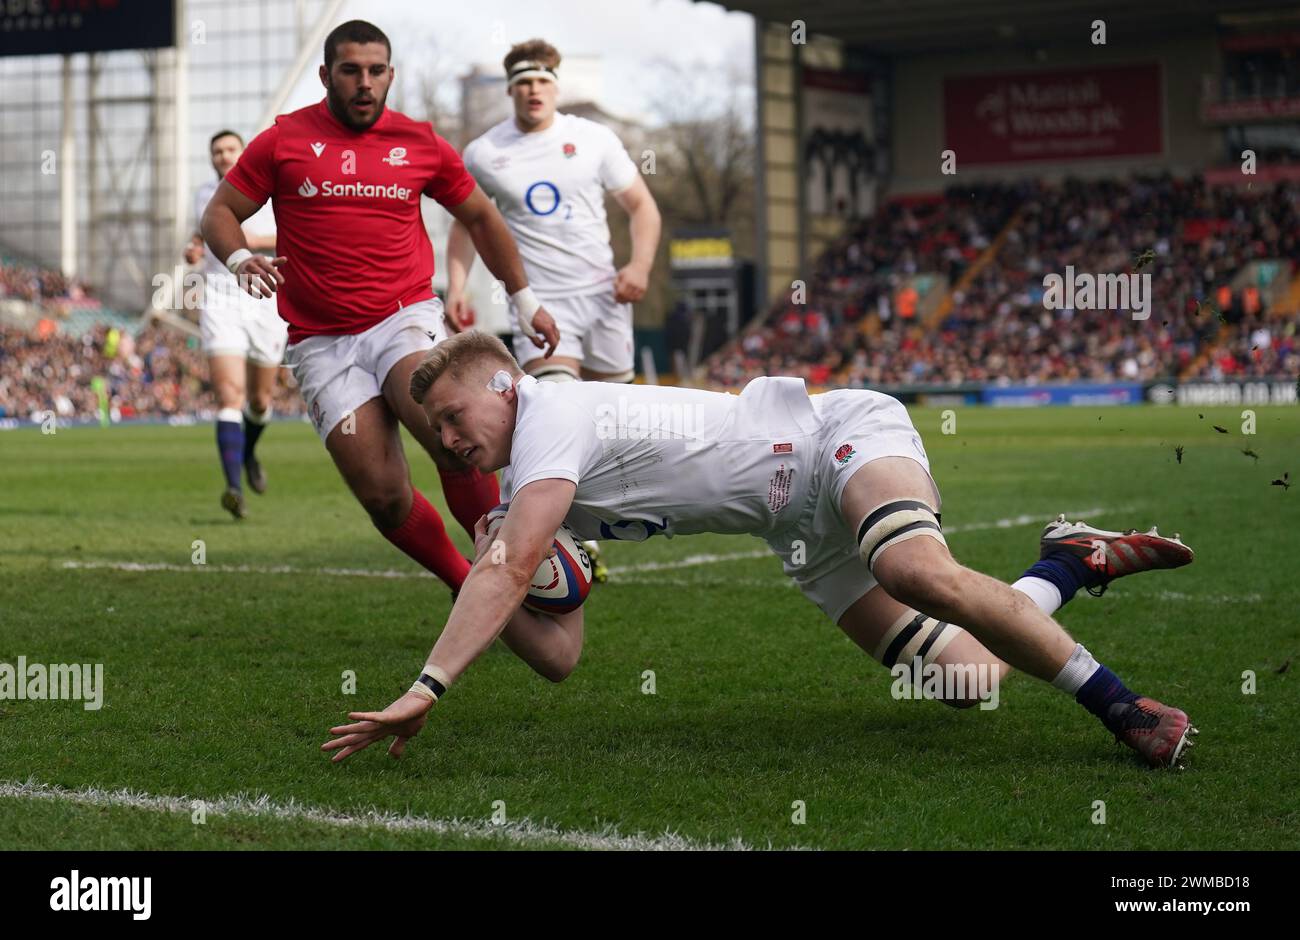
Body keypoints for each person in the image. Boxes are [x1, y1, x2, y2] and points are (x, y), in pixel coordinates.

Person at [322, 332, 1198, 769]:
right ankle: (1070, 562)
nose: (444, 440)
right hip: (797, 528)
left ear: (505, 386)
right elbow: (558, 655)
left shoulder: (552, 409)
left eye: (451, 419)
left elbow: (519, 566)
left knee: (913, 569)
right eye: (431, 428)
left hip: (834, 440)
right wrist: (490, 573)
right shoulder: (535, 488)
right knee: (965, 679)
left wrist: (426, 686)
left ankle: (1128, 712)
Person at [201, 20, 558, 592]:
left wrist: (524, 299)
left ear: (390, 74)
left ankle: (500, 573)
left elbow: (482, 218)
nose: (364, 83)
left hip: (403, 316)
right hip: (320, 340)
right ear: (326, 75)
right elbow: (220, 213)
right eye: (350, 71)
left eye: (375, 71)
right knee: (385, 498)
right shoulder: (283, 141)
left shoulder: (418, 142)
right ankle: (461, 580)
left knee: (455, 438)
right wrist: (241, 258)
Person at [447, 38, 661, 582]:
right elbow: (468, 222)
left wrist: (638, 267)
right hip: (541, 305)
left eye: (541, 81)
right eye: (521, 83)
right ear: (510, 90)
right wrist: (455, 284)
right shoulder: (485, 152)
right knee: (553, 412)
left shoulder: (593, 139)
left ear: (556, 86)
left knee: (614, 419)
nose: (532, 91)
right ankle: (559, 546)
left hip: (606, 299)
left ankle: (590, 526)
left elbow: (642, 207)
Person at [185, 129, 287, 519]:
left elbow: (291, 232)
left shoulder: (270, 188)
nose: (223, 156)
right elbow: (202, 230)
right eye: (217, 151)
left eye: (230, 150)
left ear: (243, 153)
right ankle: (233, 487)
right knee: (230, 395)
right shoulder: (203, 194)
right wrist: (194, 247)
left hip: (264, 298)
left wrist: (255, 240)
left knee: (261, 401)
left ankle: (247, 455)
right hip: (221, 297)